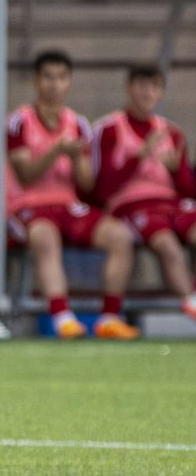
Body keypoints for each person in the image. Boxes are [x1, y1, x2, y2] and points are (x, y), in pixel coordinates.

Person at [5, 51, 140, 340]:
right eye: (48, 77)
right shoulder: (19, 122)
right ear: (37, 81)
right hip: (28, 206)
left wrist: (78, 159)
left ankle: (110, 318)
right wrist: (56, 151)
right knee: (44, 236)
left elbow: (86, 184)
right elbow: (25, 175)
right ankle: (63, 318)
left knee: (120, 236)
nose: (54, 84)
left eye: (61, 77)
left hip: (68, 205)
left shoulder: (77, 124)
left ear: (69, 82)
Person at [93, 63, 196, 321]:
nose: (147, 92)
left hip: (171, 204)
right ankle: (191, 302)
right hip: (133, 206)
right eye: (141, 85)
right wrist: (137, 157)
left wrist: (176, 171)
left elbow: (188, 190)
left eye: (153, 87)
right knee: (167, 245)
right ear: (129, 89)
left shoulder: (171, 133)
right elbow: (102, 189)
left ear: (160, 93)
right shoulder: (110, 129)